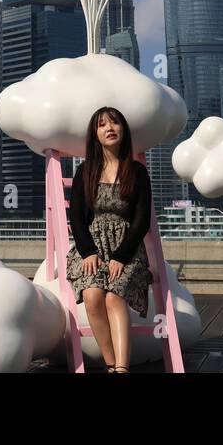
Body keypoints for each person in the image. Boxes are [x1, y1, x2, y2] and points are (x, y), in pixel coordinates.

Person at [64, 106, 153, 373]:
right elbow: (76, 217)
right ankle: (111, 363)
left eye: (114, 123)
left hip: (127, 249)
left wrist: (121, 257)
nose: (109, 128)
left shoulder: (137, 172)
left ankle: (123, 369)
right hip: (91, 247)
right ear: (95, 134)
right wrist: (89, 251)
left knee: (114, 297)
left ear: (123, 129)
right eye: (102, 125)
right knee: (92, 296)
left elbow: (142, 221)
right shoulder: (85, 171)